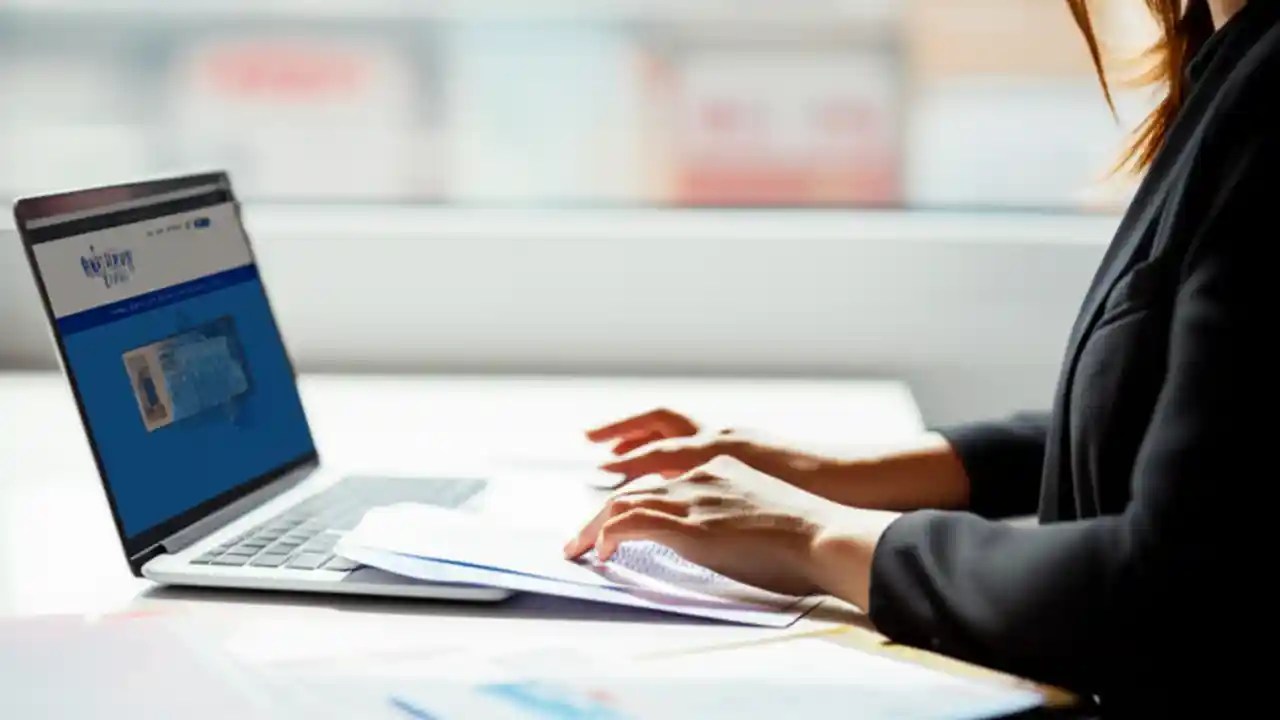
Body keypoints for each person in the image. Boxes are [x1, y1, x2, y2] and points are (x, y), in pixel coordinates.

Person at [564, 0, 1268, 712]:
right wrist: (847, 472)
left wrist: (813, 536)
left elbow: (1171, 586)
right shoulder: (1233, 49)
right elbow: (1205, 434)